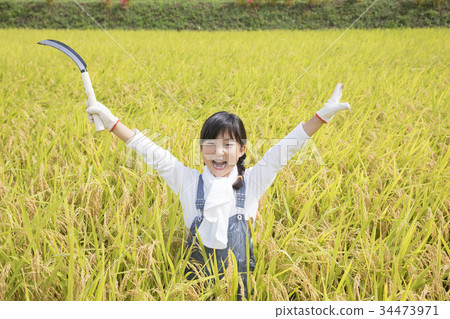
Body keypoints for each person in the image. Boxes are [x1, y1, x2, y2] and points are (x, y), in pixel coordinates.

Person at [86, 83, 351, 300]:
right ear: (201, 150)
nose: (219, 152)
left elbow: (283, 150)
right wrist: (112, 124)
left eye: (228, 144)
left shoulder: (253, 182)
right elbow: (153, 153)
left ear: (242, 149)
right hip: (195, 287)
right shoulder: (187, 181)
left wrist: (321, 117)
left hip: (240, 287)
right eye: (210, 145)